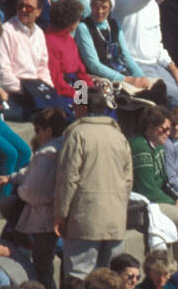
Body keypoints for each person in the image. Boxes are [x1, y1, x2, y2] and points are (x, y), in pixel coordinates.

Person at [54, 85, 133, 278]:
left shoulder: (77, 135)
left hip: (84, 221)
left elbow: (68, 179)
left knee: (78, 277)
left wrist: (61, 214)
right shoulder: (119, 136)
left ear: (82, 108)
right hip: (115, 220)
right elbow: (128, 180)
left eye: (76, 106)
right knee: (109, 280)